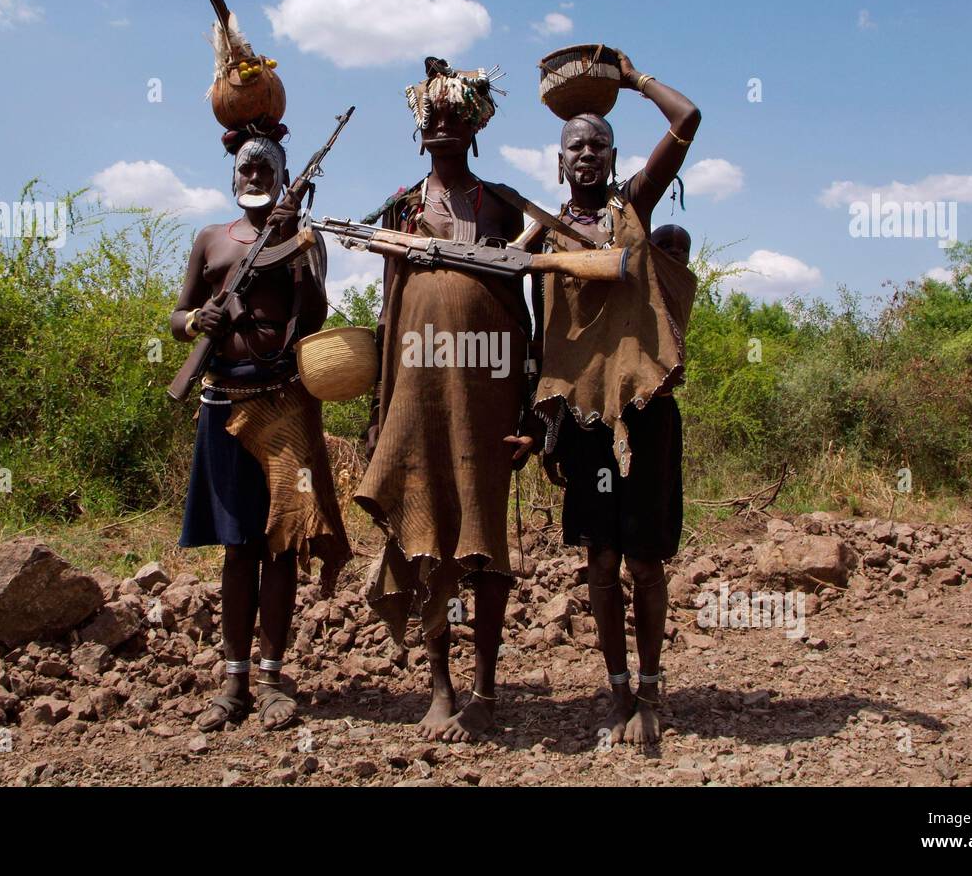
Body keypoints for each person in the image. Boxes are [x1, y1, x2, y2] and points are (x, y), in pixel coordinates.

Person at [355, 58, 537, 742]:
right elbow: (389, 306)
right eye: (431, 117)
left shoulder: (504, 205)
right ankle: (439, 687)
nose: (442, 126)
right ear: (418, 128)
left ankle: (486, 692)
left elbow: (528, 308)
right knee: (426, 539)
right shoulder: (404, 208)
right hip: (419, 391)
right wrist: (379, 411)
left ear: (477, 125)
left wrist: (530, 411)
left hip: (489, 393)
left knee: (484, 546)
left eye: (455, 116)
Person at [529, 50, 699, 745]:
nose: (588, 154)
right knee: (599, 559)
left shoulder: (635, 206)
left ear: (614, 153)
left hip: (644, 409)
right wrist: (533, 420)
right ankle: (616, 692)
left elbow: (688, 119)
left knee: (646, 559)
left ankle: (652, 695)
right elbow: (532, 331)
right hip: (584, 418)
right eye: (576, 146)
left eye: (599, 144)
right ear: (560, 158)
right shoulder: (538, 231)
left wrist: (633, 80)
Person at [172, 127, 350, 733]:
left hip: (286, 403)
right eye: (246, 169)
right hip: (224, 402)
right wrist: (201, 317)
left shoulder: (303, 239)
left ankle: (272, 677)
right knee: (237, 545)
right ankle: (234, 681)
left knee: (282, 543)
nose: (254, 176)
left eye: (264, 168)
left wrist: (296, 241)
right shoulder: (210, 239)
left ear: (283, 175)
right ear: (233, 176)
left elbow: (318, 312)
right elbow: (175, 317)